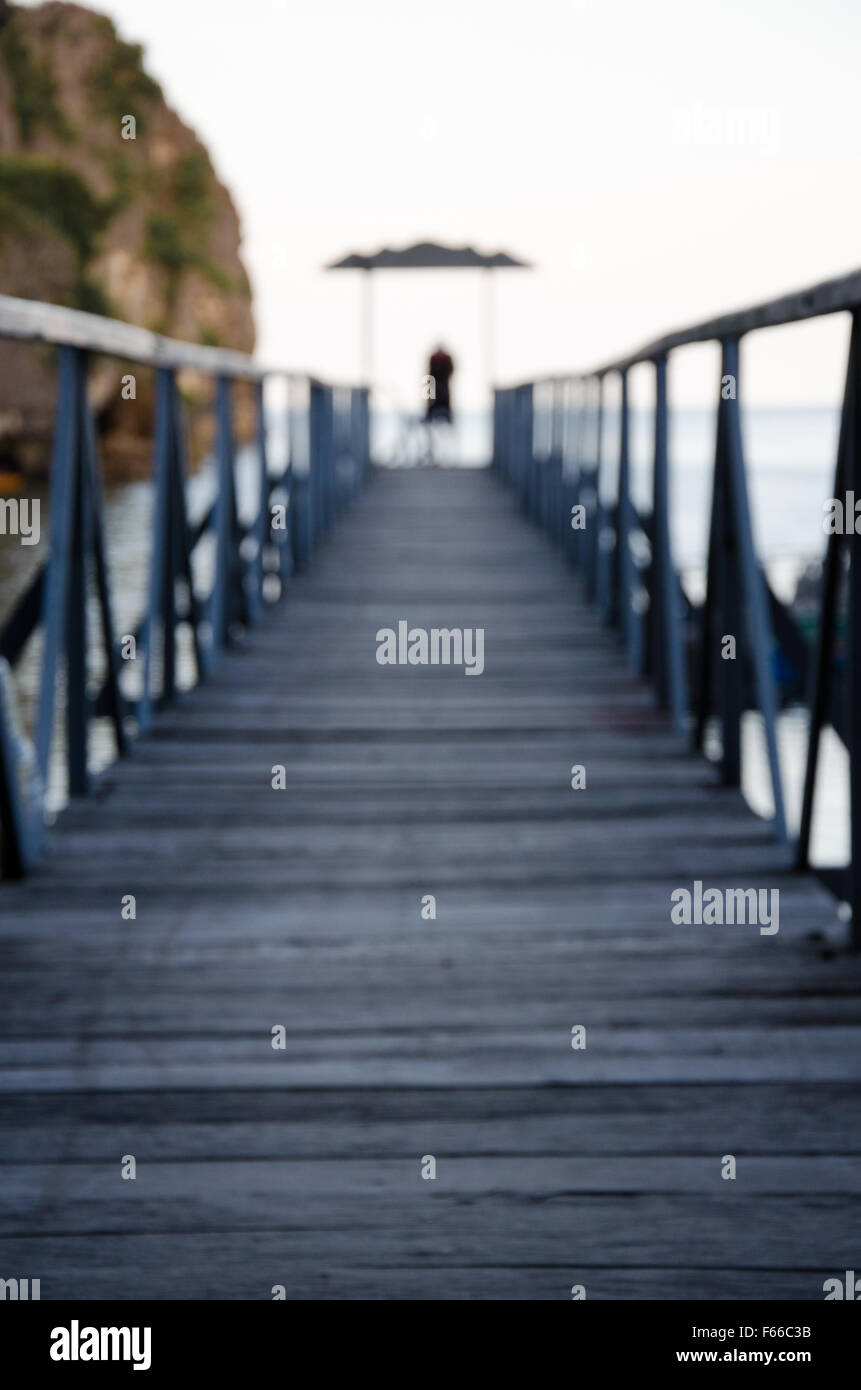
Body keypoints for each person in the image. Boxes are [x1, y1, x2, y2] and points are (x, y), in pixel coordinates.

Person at [424, 344, 454, 423]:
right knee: (432, 399)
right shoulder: (434, 358)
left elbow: (450, 370)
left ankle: (447, 418)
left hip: (442, 384)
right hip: (435, 384)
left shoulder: (445, 359)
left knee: (442, 400)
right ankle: (430, 416)